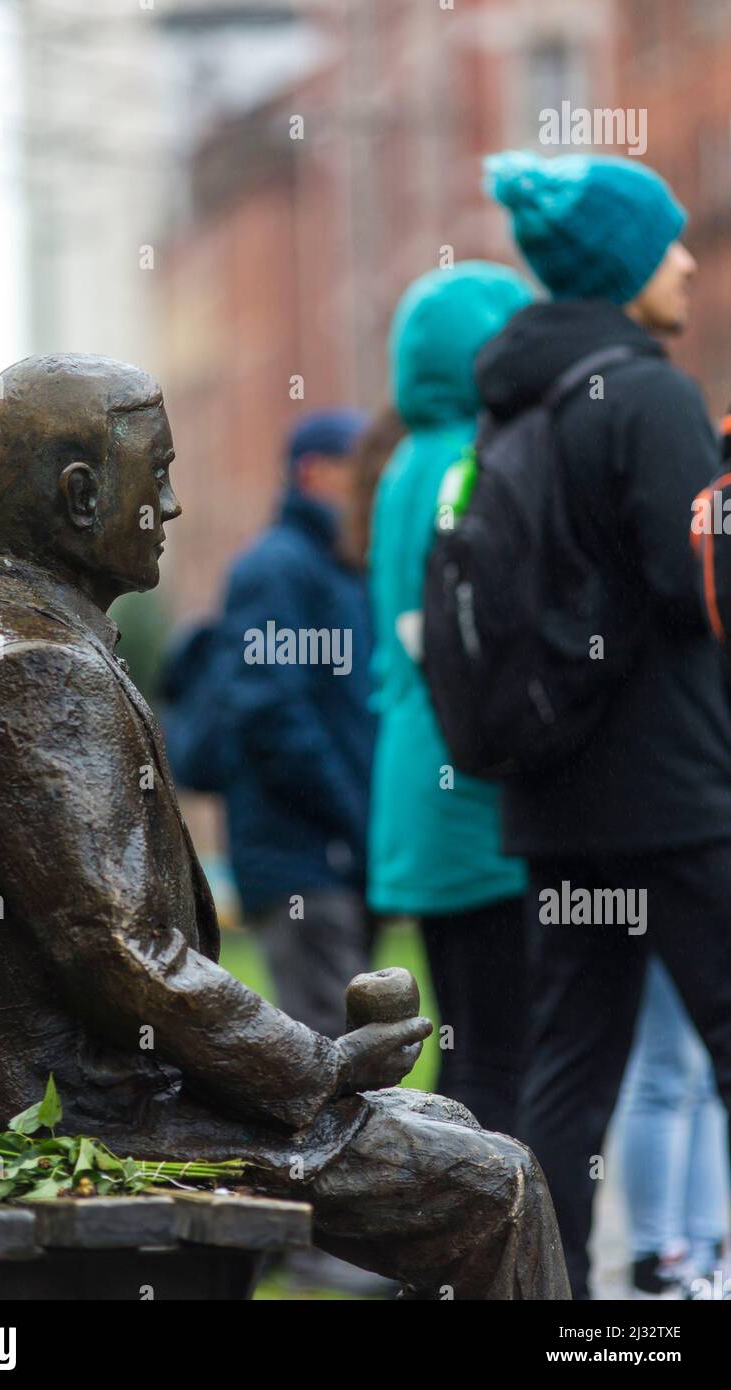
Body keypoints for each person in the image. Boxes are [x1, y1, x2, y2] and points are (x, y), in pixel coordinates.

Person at [0, 355, 569, 1300]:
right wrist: (317, 1062)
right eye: (154, 474)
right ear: (82, 497)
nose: (171, 504)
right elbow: (117, 952)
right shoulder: (32, 668)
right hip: (105, 1119)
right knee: (500, 1188)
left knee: (449, 1121)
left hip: (97, 1098)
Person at [476, 149, 731, 1299]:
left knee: (567, 1071)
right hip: (675, 793)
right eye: (668, 242)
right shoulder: (646, 394)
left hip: (554, 795)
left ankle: (552, 1302)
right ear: (624, 266)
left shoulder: (514, 406)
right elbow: (691, 585)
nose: (685, 260)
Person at [366, 262, 533, 1135]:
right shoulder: (466, 465)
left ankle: (442, 1256)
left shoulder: (403, 465)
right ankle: (478, 1254)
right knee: (501, 1055)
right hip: (470, 798)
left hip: (416, 791)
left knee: (469, 1043)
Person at [218, 411, 375, 1042]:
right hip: (303, 859)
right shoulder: (277, 570)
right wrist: (352, 817)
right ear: (315, 473)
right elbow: (272, 714)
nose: (369, 488)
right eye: (357, 472)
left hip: (334, 855)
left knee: (354, 1051)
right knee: (331, 1057)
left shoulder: (335, 565)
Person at [615, 957, 729, 1298]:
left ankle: (704, 1257)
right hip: (664, 910)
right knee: (666, 1070)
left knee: (708, 1074)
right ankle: (657, 1264)